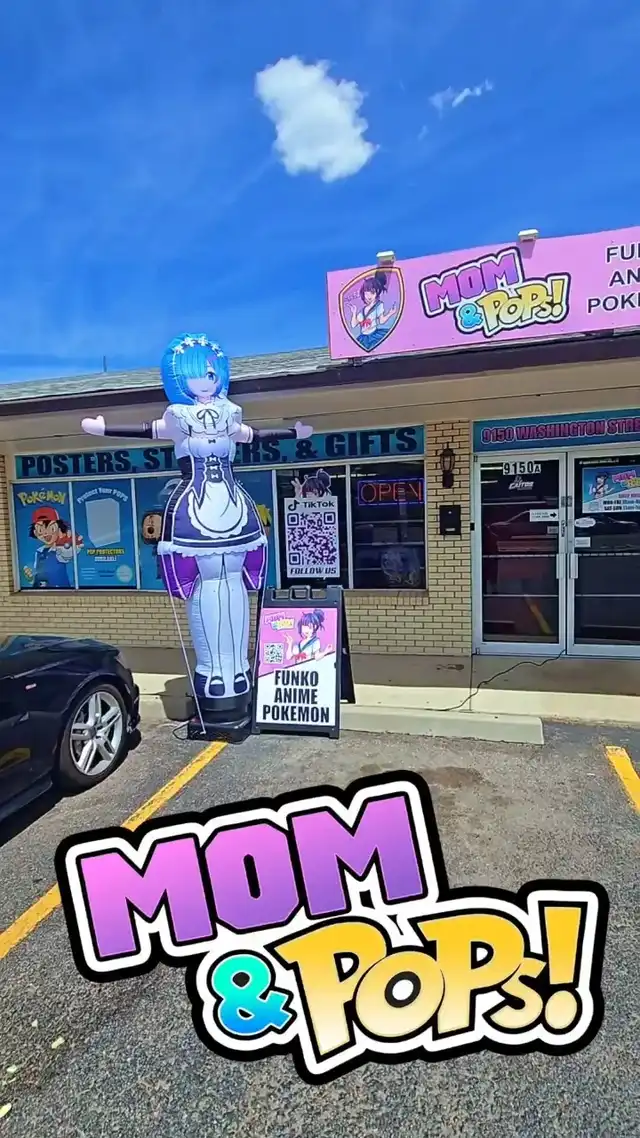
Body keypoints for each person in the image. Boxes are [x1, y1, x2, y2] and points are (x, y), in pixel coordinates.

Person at [81, 334, 312, 715]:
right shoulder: (179, 418)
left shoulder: (230, 416)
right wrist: (105, 429)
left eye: (211, 372)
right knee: (206, 585)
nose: (206, 379)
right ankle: (212, 670)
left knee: (235, 585)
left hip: (233, 508)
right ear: (180, 379)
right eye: (197, 373)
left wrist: (293, 434)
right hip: (196, 508)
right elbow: (147, 430)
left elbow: (256, 436)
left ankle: (238, 668)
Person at [24, 506, 80, 589]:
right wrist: (30, 578)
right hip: (40, 591)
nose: (46, 533)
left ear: (59, 529)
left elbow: (67, 554)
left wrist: (70, 543)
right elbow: (37, 574)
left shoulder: (60, 549)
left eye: (51, 528)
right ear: (35, 532)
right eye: (40, 530)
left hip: (60, 591)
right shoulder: (39, 552)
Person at [349, 270, 398, 351]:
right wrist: (354, 313)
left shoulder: (379, 305)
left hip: (374, 335)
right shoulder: (363, 311)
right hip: (364, 338)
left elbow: (381, 321)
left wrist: (390, 313)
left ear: (377, 293)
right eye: (366, 293)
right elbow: (353, 325)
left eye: (372, 292)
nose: (369, 296)